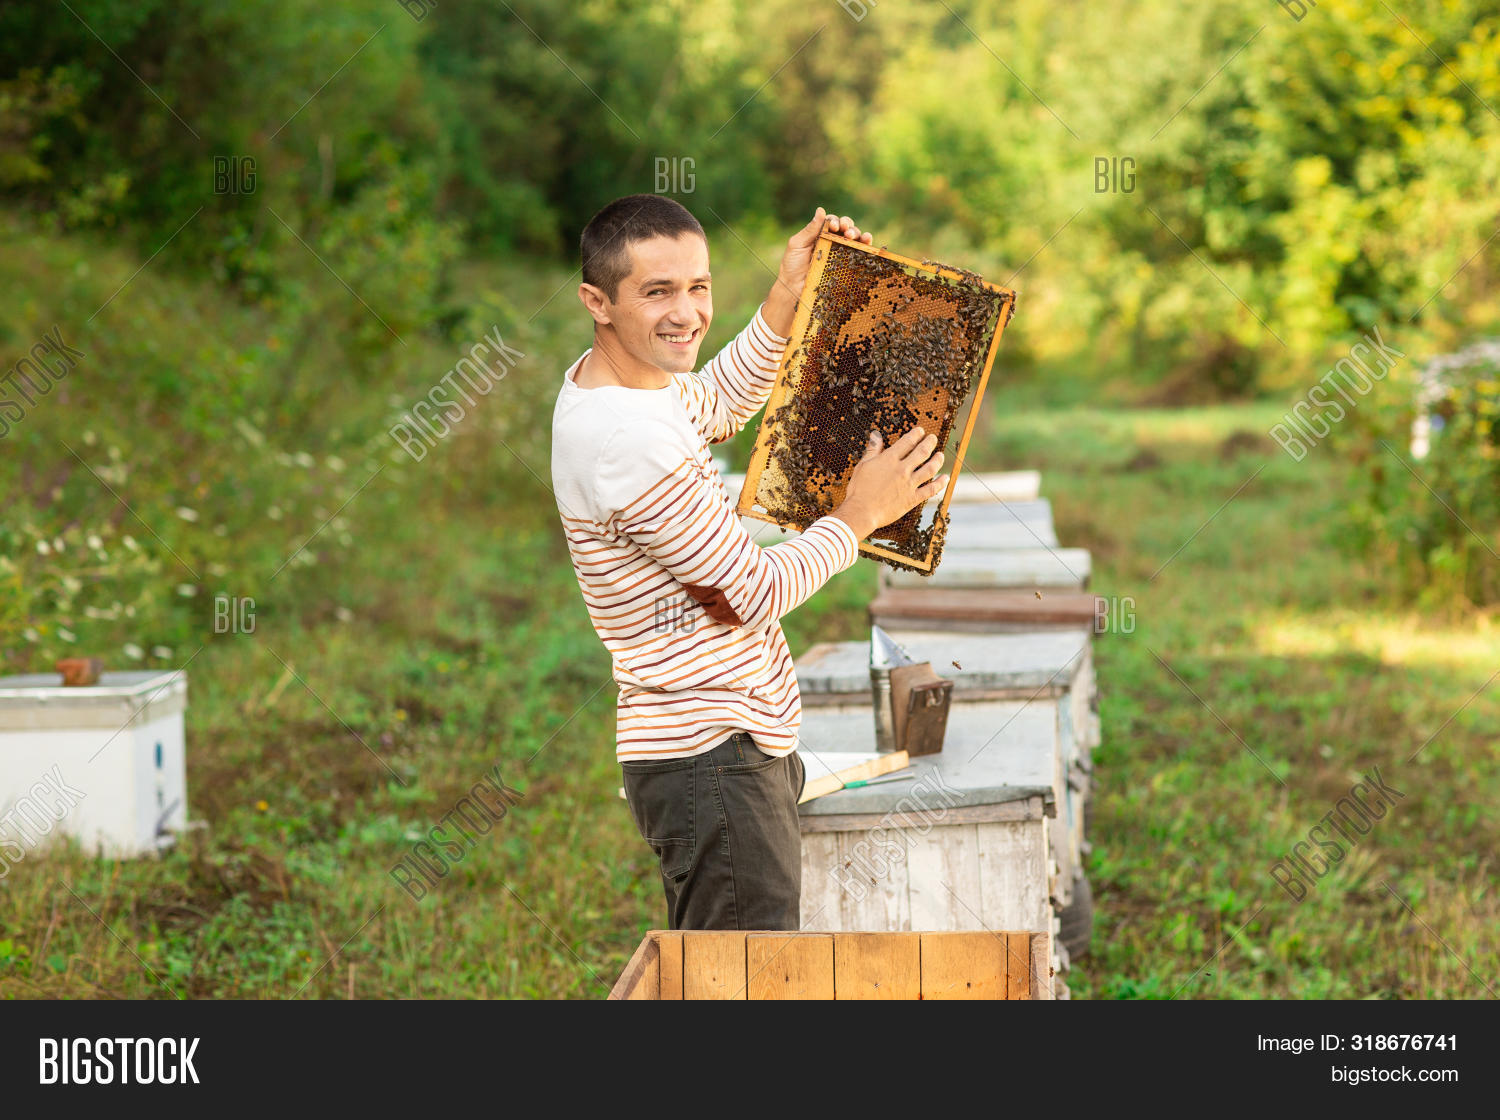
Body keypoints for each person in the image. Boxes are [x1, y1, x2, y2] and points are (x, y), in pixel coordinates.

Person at [550, 193, 946, 930]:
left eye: (698, 287)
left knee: (728, 979)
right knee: (746, 985)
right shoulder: (625, 443)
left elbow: (720, 403)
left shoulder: (623, 387)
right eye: (657, 292)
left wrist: (787, 295)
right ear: (596, 301)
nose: (687, 313)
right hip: (710, 758)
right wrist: (859, 514)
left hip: (723, 748)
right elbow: (749, 592)